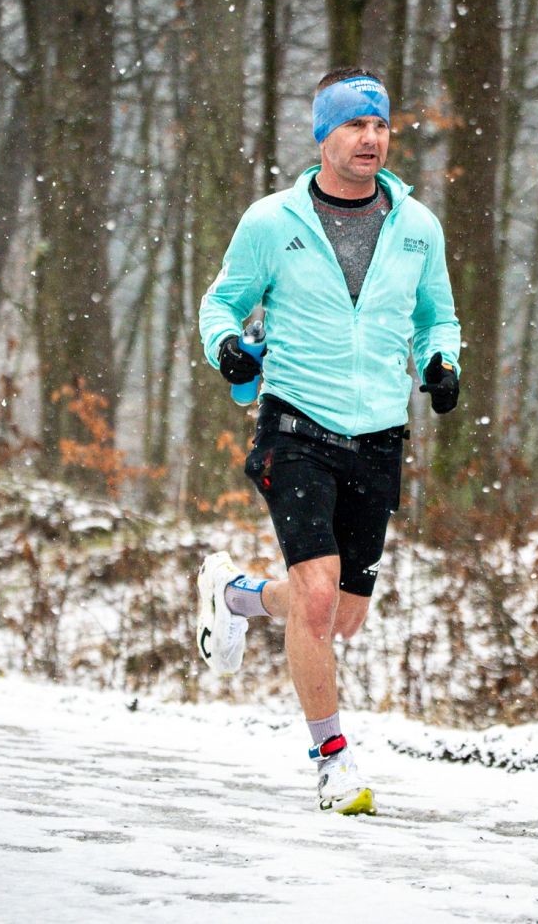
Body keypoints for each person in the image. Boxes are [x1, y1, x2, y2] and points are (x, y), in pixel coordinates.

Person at [195, 67, 461, 815]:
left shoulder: (416, 227)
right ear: (324, 136)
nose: (372, 138)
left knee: (340, 615)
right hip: (295, 422)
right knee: (315, 599)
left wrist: (444, 360)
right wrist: (227, 347)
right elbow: (223, 302)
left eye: (381, 126)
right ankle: (332, 760)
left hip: (377, 433)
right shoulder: (273, 222)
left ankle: (238, 595)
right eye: (355, 125)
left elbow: (437, 317)